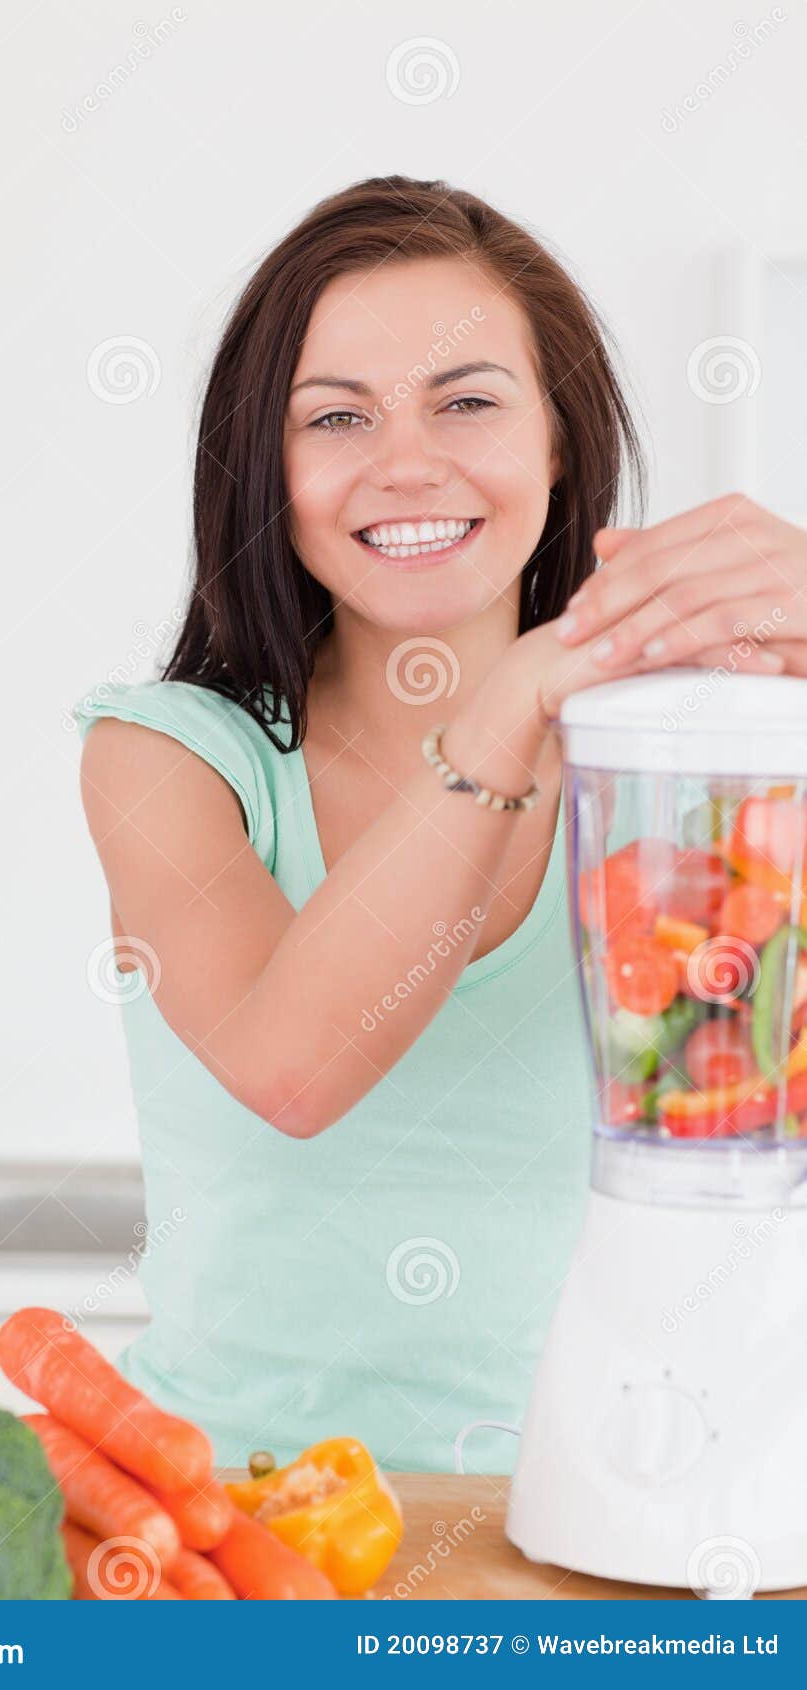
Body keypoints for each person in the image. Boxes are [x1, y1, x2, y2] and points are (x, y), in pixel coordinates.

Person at [72, 176, 807, 1474]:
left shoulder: (675, 761)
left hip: (606, 1510)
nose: (407, 463)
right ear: (268, 468)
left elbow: (739, 1078)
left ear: (558, 442)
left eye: (466, 400)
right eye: (336, 417)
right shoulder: (171, 755)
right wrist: (522, 691)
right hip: (237, 1520)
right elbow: (293, 1067)